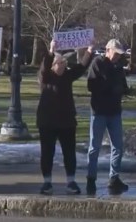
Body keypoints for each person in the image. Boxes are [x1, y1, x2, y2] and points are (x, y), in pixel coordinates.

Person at [36, 40, 94, 195]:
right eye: (60, 63)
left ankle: (71, 181)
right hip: (47, 122)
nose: (63, 66)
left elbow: (81, 68)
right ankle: (47, 182)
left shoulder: (67, 76)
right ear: (53, 65)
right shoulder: (46, 77)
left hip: (67, 122)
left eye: (64, 63)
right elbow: (44, 68)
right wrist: (51, 51)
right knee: (47, 153)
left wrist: (89, 50)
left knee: (69, 153)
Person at [86, 39, 130, 196]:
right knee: (94, 147)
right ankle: (91, 178)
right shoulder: (98, 63)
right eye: (115, 53)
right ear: (108, 50)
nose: (117, 56)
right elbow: (91, 85)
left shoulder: (118, 67)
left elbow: (123, 86)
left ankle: (114, 178)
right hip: (99, 111)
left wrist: (123, 89)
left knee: (117, 146)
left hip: (114, 111)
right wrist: (110, 86)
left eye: (119, 54)